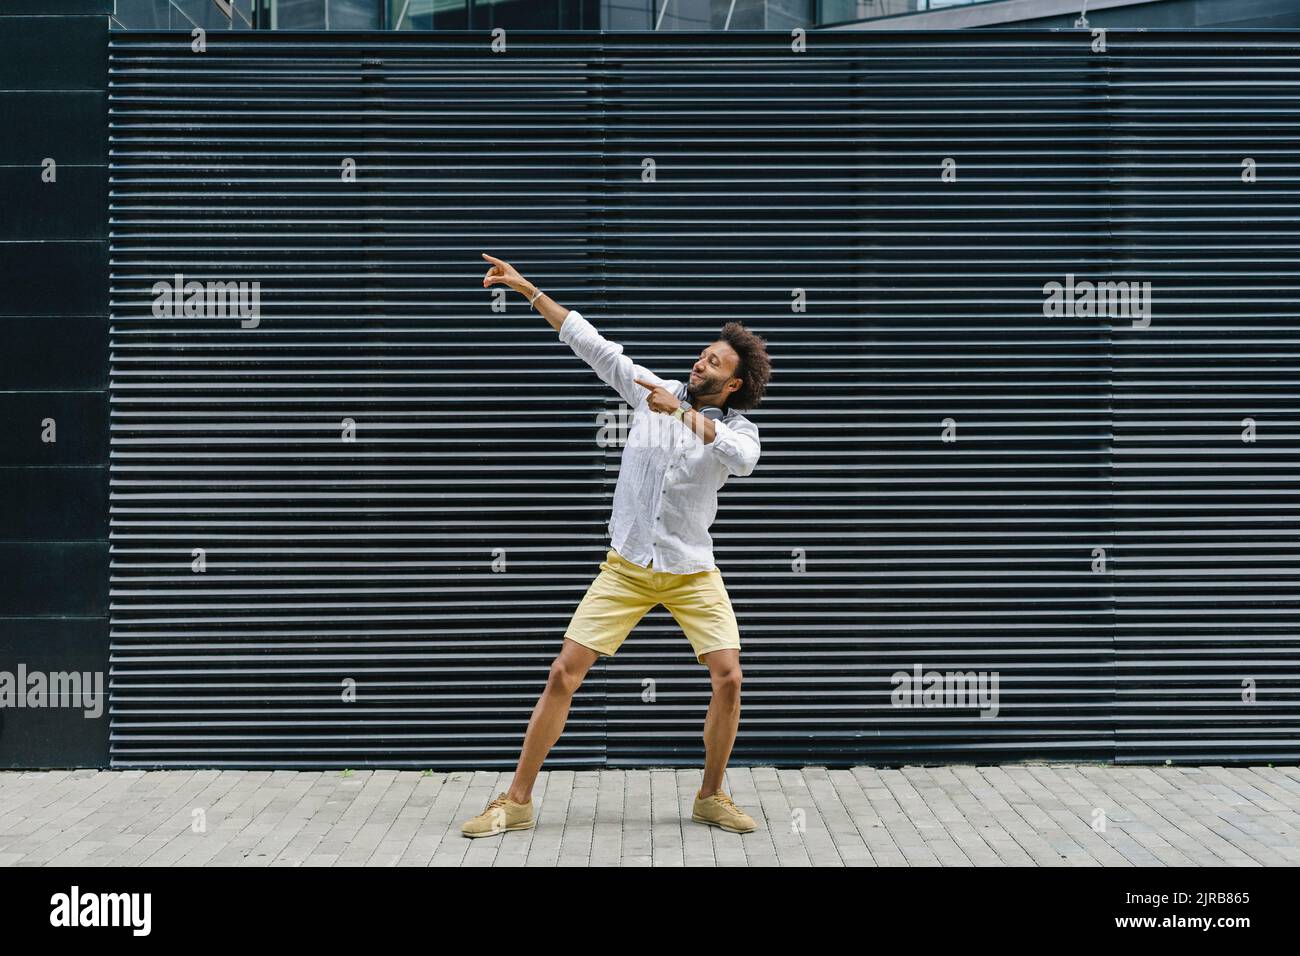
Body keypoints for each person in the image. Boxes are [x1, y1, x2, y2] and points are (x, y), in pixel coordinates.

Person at [461, 253, 772, 838]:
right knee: (563, 673)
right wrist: (527, 289)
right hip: (626, 567)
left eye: (714, 363)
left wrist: (680, 412)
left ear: (731, 384)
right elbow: (593, 343)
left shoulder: (737, 430)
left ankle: (711, 795)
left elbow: (743, 460)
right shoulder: (650, 391)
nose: (699, 362)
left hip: (690, 570)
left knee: (729, 675)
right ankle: (516, 800)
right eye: (703, 353)